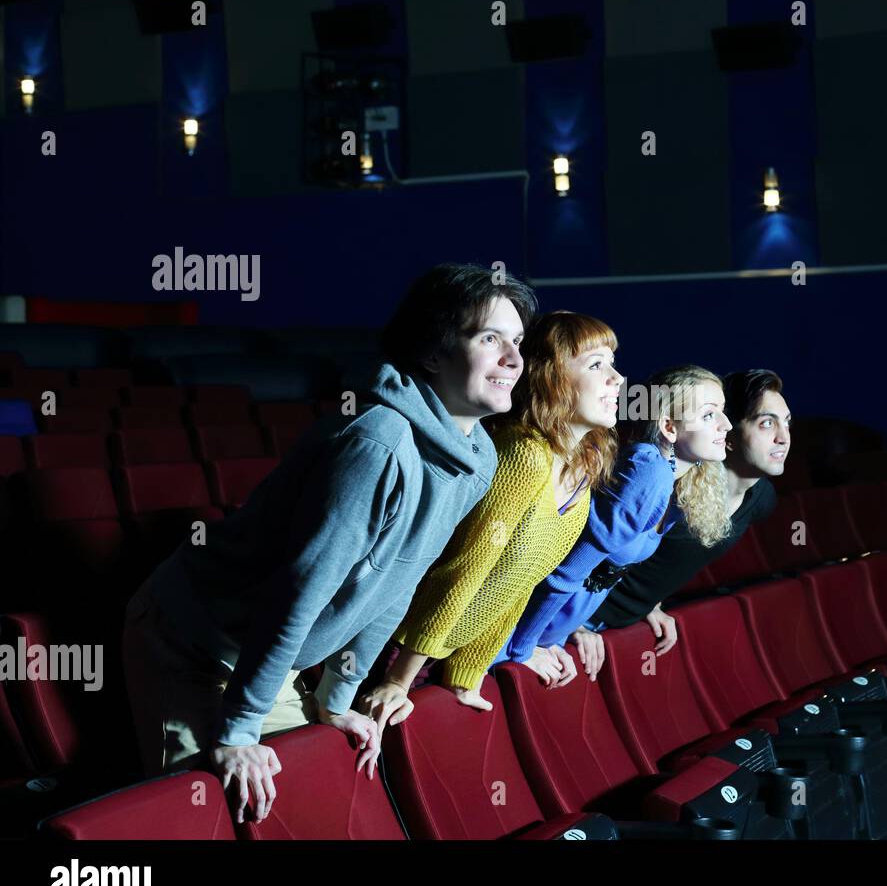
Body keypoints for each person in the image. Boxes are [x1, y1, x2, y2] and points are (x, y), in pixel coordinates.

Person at [121, 263, 535, 824]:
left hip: (267, 651)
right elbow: (299, 593)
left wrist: (336, 699)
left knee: (298, 805)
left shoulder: (478, 456)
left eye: (518, 341)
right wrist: (239, 730)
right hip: (194, 643)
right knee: (217, 813)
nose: (514, 359)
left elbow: (397, 583)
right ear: (433, 352)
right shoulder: (378, 444)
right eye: (490, 338)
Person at [360, 311, 622, 727]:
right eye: (596, 365)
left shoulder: (581, 473)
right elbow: (464, 570)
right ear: (550, 377)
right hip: (397, 647)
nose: (617, 379)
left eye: (612, 363)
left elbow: (518, 587)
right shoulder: (524, 455)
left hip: (440, 653)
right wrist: (399, 678)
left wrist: (468, 677)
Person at [500, 365, 733, 683]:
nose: (726, 424)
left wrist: (553, 639)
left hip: (546, 631)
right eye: (709, 415)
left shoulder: (675, 477)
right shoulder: (648, 470)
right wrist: (524, 648)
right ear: (669, 426)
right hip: (512, 629)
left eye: (722, 412)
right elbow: (565, 573)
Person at [587, 369, 792, 654]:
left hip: (621, 625)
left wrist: (651, 602)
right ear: (730, 433)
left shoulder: (762, 500)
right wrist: (572, 625)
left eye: (787, 423)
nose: (784, 437)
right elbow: (585, 551)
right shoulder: (672, 485)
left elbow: (664, 564)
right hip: (580, 620)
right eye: (767, 423)